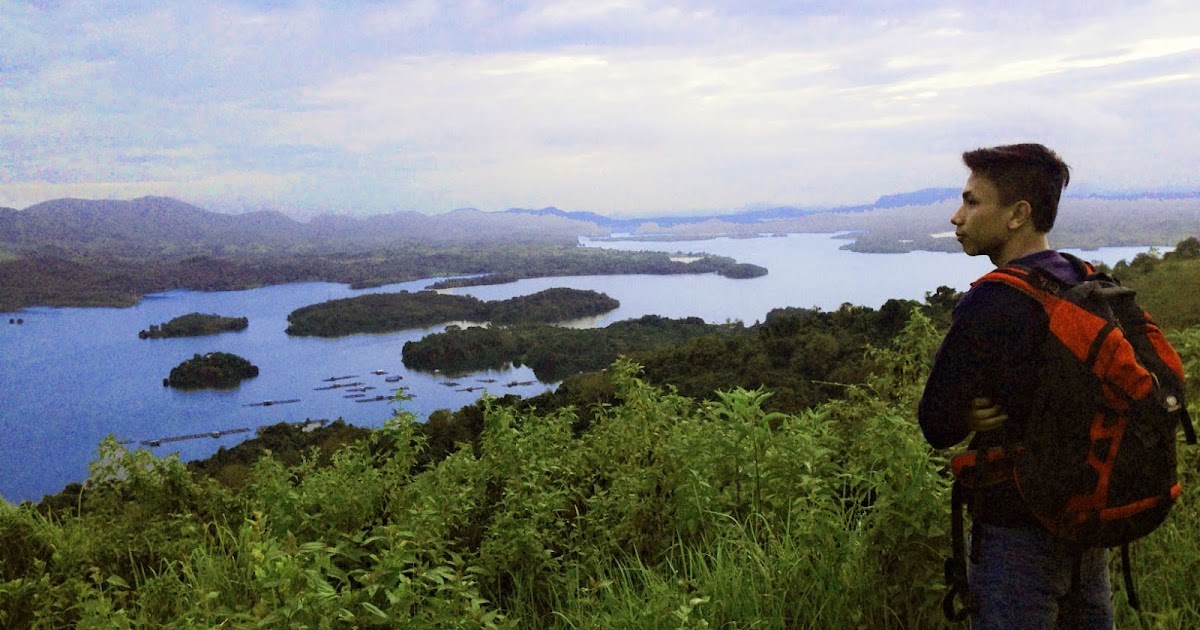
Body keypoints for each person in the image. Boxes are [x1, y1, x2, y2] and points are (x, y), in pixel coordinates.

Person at [918, 143, 1114, 629]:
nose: (957, 216)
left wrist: (964, 415)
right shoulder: (1084, 281)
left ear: (1017, 215)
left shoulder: (992, 302)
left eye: (972, 201)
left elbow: (936, 424)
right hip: (1087, 524)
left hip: (1016, 536)